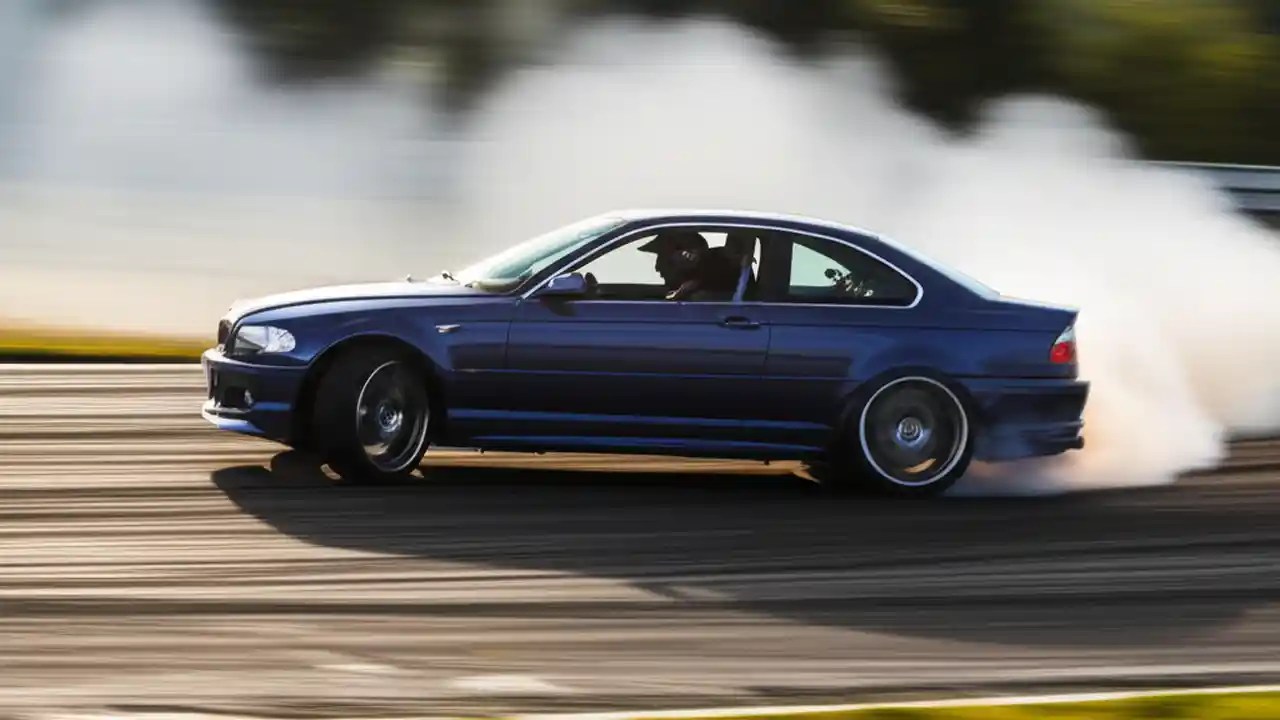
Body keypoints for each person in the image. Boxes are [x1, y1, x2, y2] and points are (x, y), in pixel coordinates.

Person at [637, 230, 741, 301]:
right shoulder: (689, 295)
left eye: (664, 259)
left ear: (688, 258)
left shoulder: (700, 301)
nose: (657, 267)